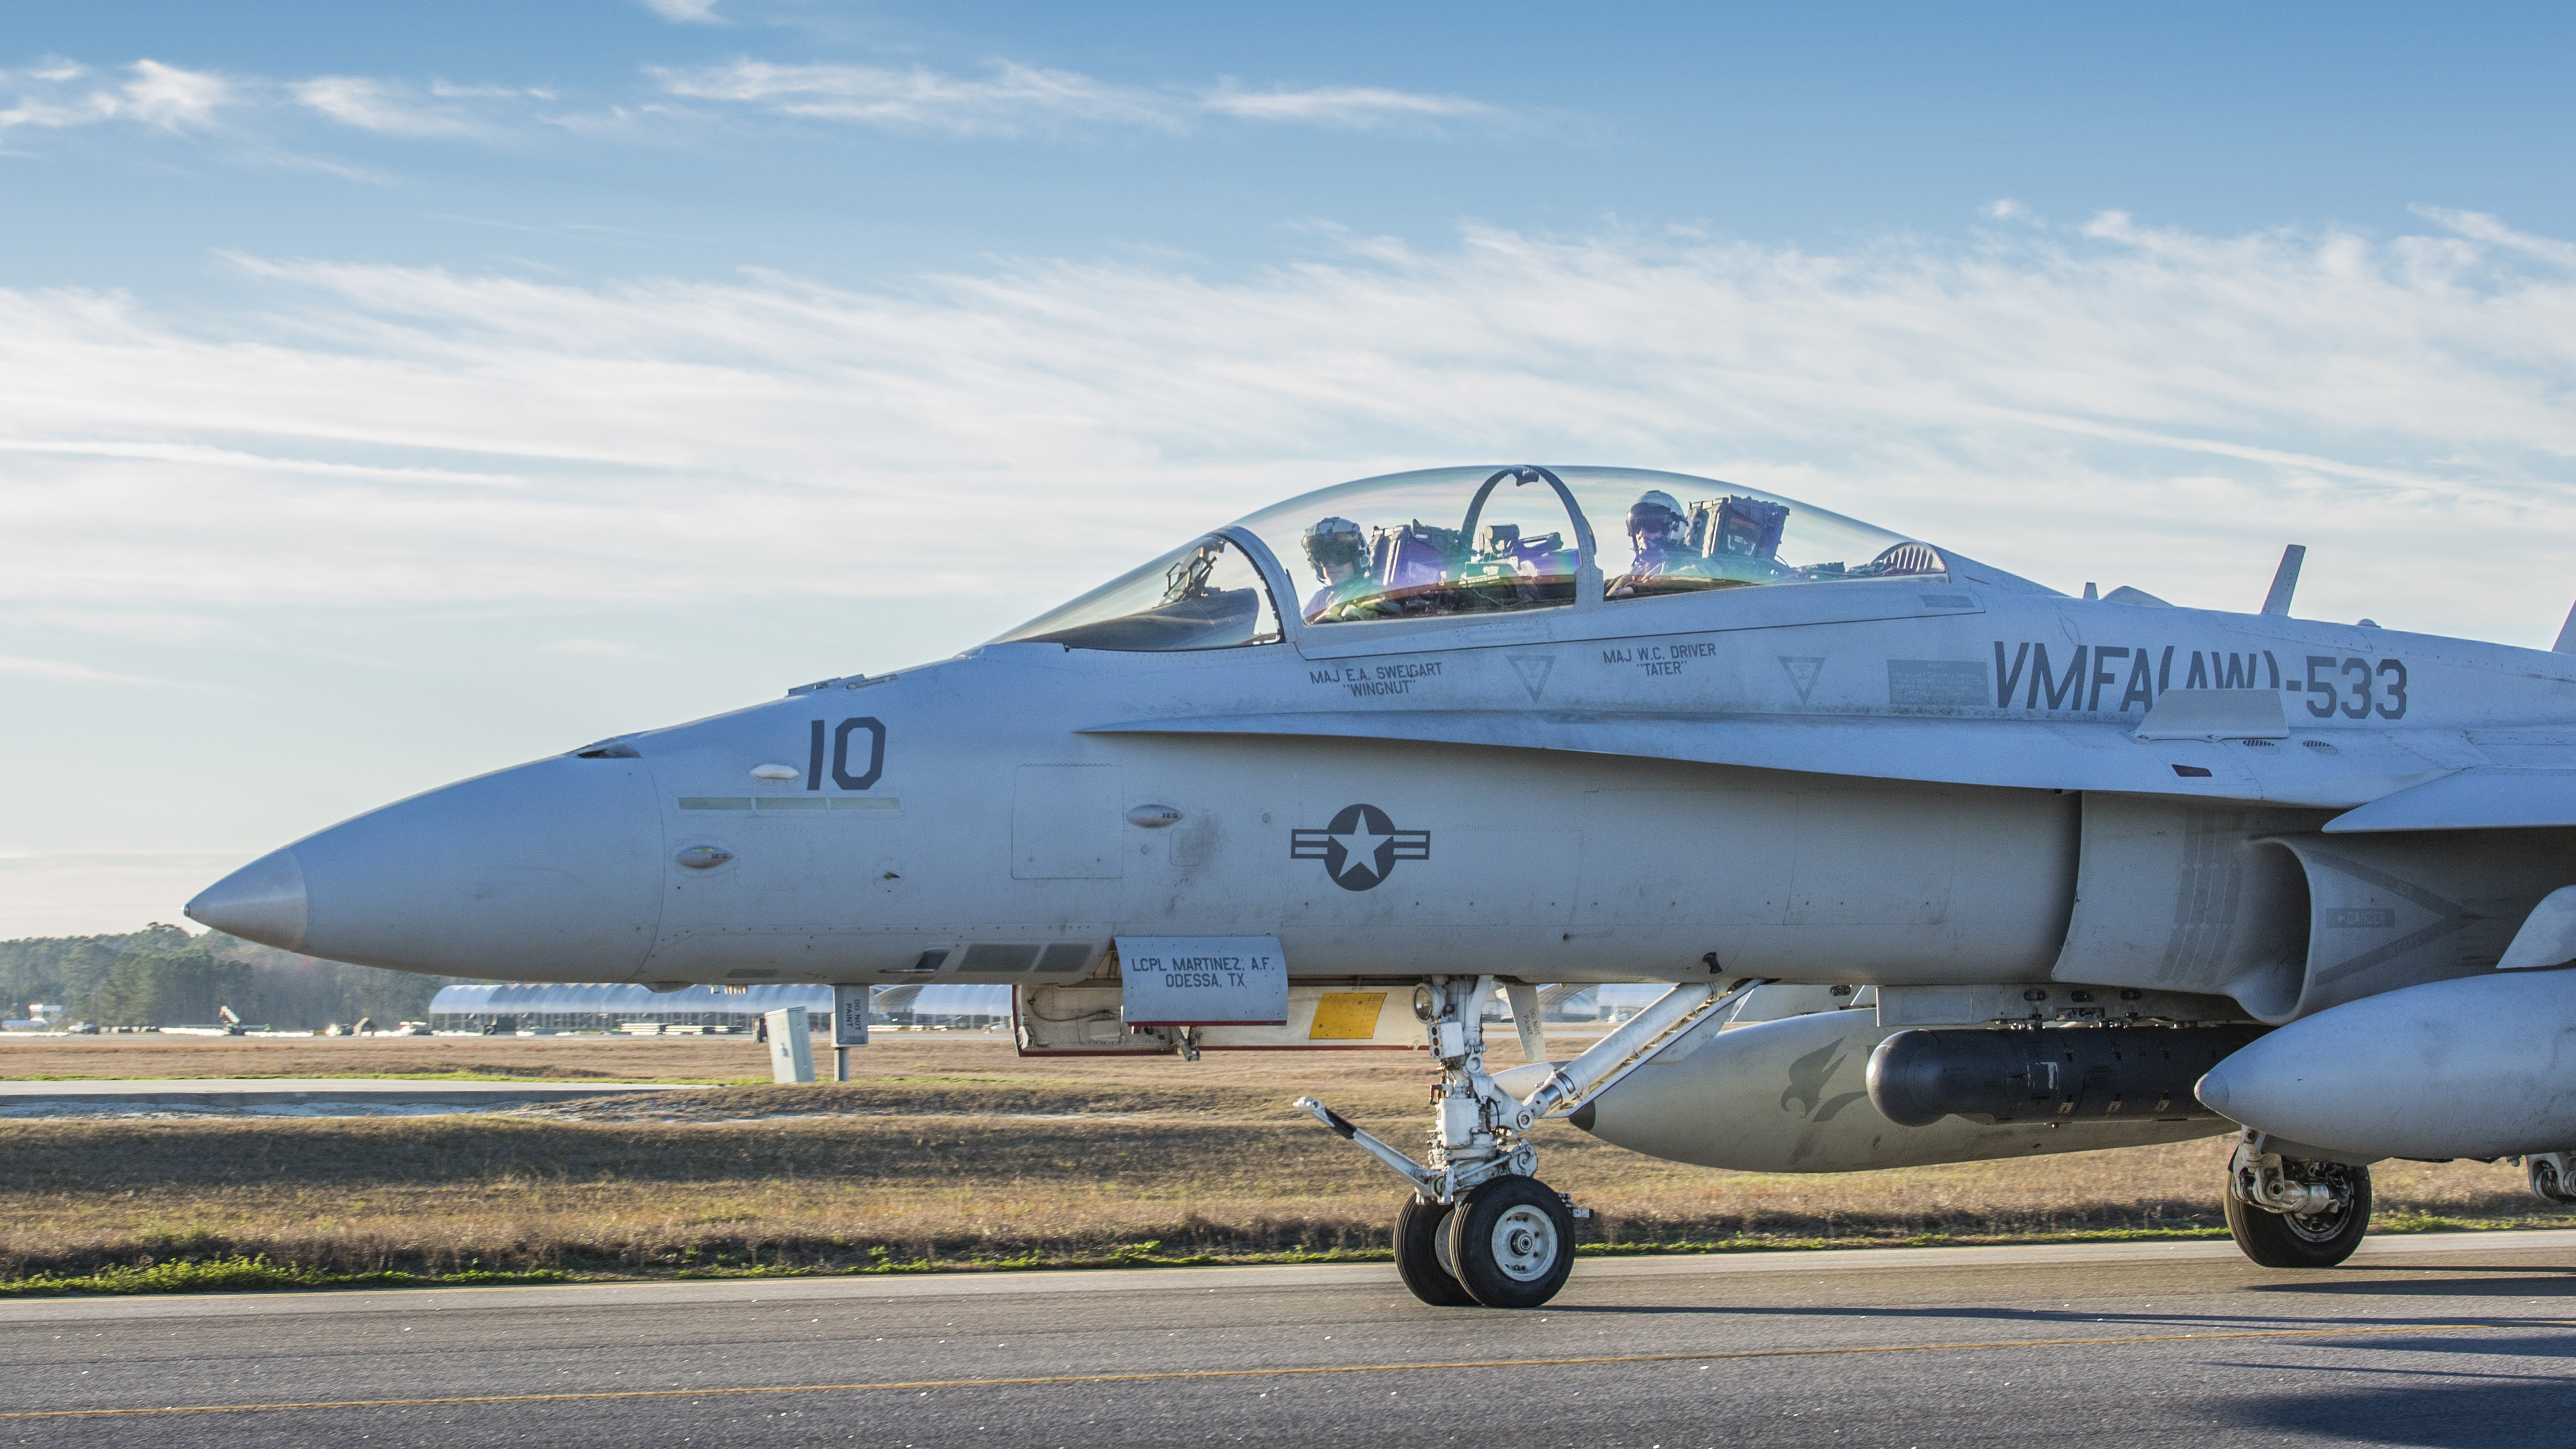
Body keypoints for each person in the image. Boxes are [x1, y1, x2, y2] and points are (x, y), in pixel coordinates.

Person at [1607, 489, 1691, 597]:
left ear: (1676, 529)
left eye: (1651, 525)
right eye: (1636, 526)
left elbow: (1688, 579)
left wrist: (1638, 589)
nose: (1641, 534)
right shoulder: (1641, 569)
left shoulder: (1687, 562)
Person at [1299, 516, 1377, 622]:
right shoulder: (1320, 599)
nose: (1331, 564)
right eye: (1323, 557)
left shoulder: (1370, 595)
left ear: (1357, 558)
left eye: (1340, 555)